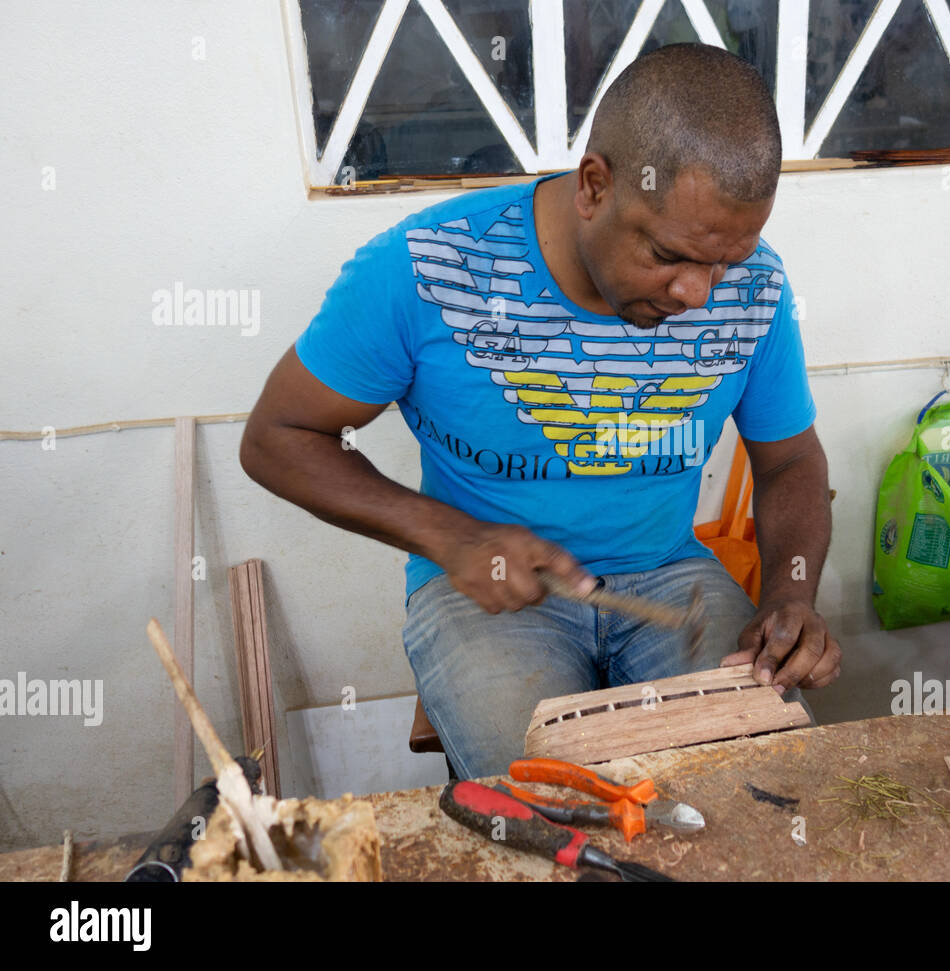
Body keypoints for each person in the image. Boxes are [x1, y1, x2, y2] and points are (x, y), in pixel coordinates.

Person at [241, 43, 841, 779]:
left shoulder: (756, 290)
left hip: (666, 577)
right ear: (594, 185)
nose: (700, 294)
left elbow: (790, 459)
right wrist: (451, 535)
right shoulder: (428, 268)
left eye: (726, 261)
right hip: (488, 596)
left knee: (761, 785)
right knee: (560, 800)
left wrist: (790, 593)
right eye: (671, 255)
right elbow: (276, 437)